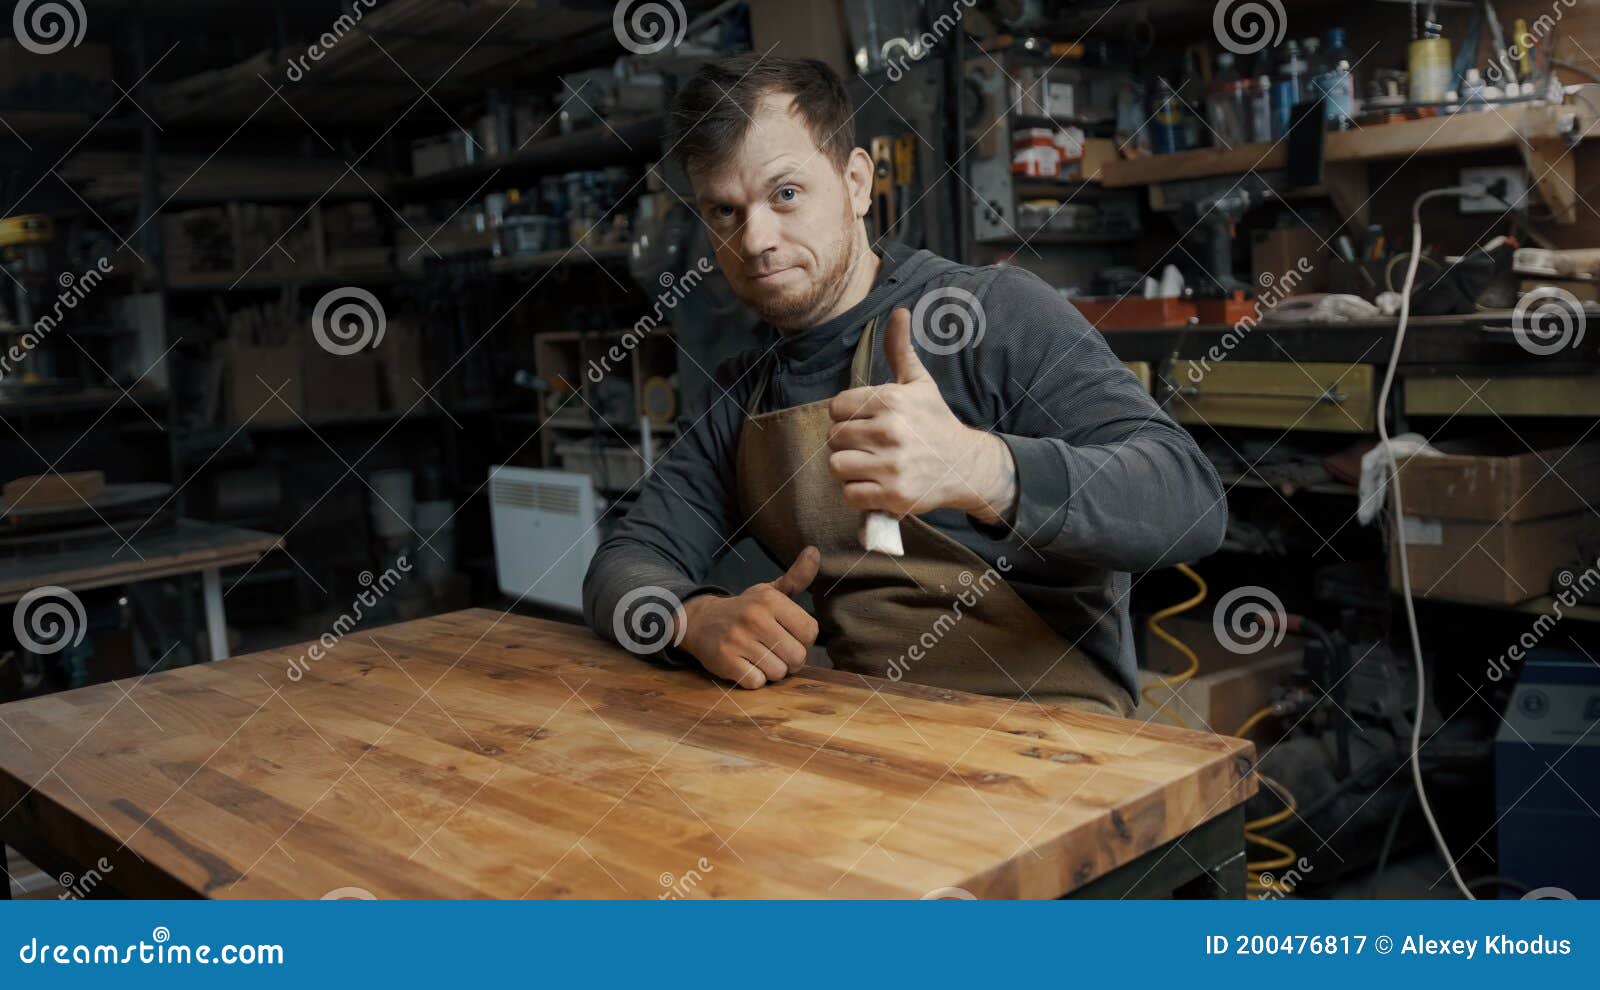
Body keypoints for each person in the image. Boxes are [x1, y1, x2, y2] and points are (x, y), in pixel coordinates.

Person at [581, 55, 1225, 716]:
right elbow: (623, 564)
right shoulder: (741, 397)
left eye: (785, 194)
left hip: (1054, 745)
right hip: (875, 740)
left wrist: (985, 470)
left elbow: (1189, 500)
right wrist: (692, 619)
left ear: (856, 183)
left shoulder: (992, 315)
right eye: (725, 210)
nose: (757, 240)